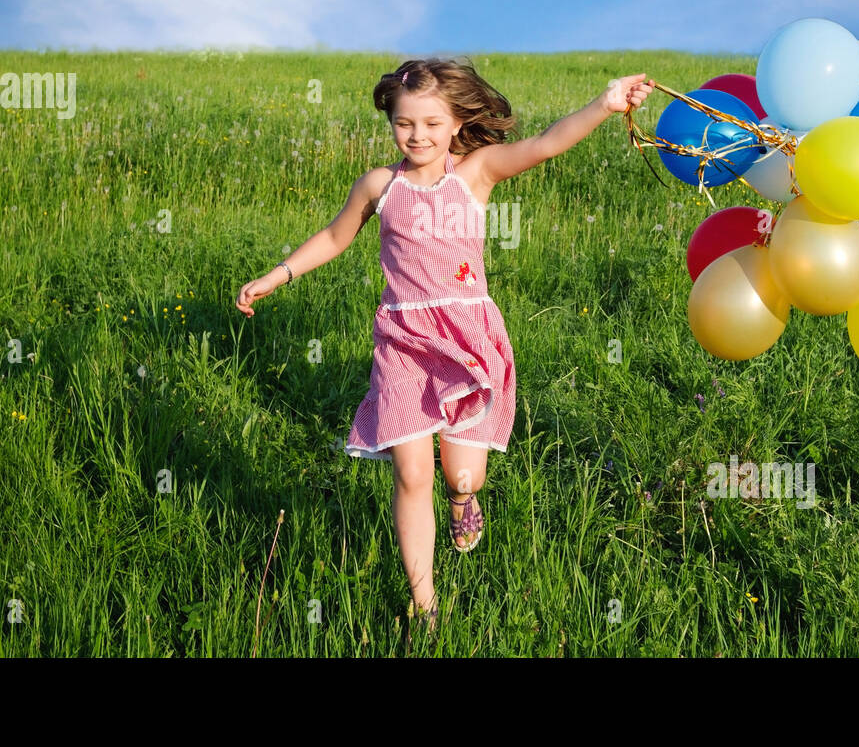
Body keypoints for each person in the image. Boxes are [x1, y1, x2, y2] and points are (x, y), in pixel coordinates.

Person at [236, 58, 653, 633]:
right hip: (403, 344)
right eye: (405, 124)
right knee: (411, 474)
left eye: (432, 123)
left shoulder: (475, 174)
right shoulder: (380, 186)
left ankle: (463, 502)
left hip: (466, 340)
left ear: (457, 122)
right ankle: (424, 603)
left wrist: (604, 105)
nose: (418, 136)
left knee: (464, 477)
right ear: (391, 122)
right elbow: (336, 236)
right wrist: (278, 275)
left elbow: (546, 145)